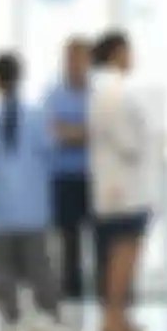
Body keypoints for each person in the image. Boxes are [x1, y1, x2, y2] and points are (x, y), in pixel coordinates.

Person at [0, 52, 66, 331]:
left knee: (4, 268)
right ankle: (48, 316)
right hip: (30, 206)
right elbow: (51, 151)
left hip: (1, 207)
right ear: (20, 77)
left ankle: (9, 319)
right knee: (38, 265)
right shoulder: (38, 116)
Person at [89, 31, 153, 331]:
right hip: (123, 187)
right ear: (116, 53)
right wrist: (142, 143)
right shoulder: (112, 90)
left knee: (123, 254)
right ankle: (112, 322)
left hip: (121, 185)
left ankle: (120, 319)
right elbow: (128, 140)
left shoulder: (106, 88)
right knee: (121, 255)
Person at [44, 37, 105, 304]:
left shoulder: (99, 95)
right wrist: (82, 132)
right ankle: (72, 300)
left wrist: (73, 132)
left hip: (95, 178)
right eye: (70, 59)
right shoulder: (52, 95)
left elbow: (102, 131)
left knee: (100, 243)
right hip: (63, 178)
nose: (75, 65)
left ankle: (105, 301)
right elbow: (53, 132)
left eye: (80, 59)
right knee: (69, 245)